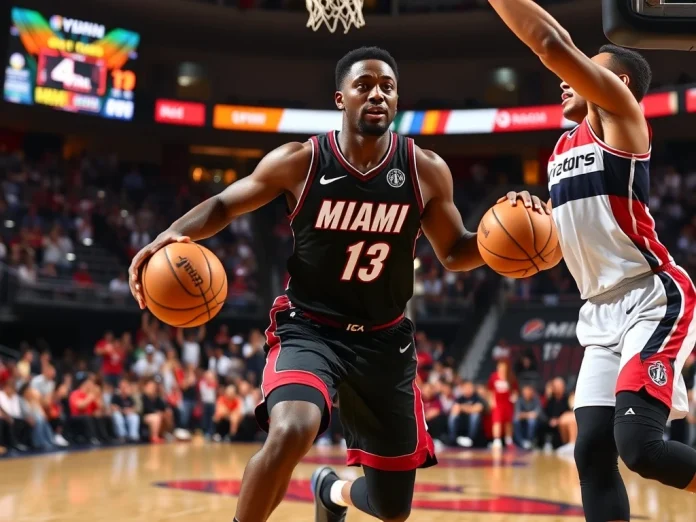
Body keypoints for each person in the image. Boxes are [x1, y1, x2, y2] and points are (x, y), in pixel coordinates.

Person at [129, 46, 504, 522]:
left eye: (387, 87)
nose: (377, 95)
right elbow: (225, 204)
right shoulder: (301, 161)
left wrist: (504, 248)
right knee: (291, 430)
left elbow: (455, 251)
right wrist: (170, 233)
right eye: (364, 85)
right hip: (309, 328)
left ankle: (331, 492)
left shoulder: (424, 169)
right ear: (340, 98)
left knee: (393, 509)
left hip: (384, 342)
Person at [489, 0, 696, 519]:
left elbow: (552, 45)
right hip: (598, 309)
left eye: (582, 73)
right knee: (592, 452)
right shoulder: (561, 148)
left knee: (640, 446)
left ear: (619, 84)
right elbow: (570, 242)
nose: (563, 80)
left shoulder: (621, 119)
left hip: (652, 294)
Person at [488, 358, 517, 449]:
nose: (502, 368)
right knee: (497, 421)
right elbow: (490, 391)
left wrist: (514, 397)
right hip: (498, 403)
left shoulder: (510, 377)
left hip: (507, 403)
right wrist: (491, 401)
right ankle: (497, 440)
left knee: (508, 422)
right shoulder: (494, 377)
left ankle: (508, 440)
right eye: (500, 366)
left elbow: (515, 390)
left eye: (503, 366)